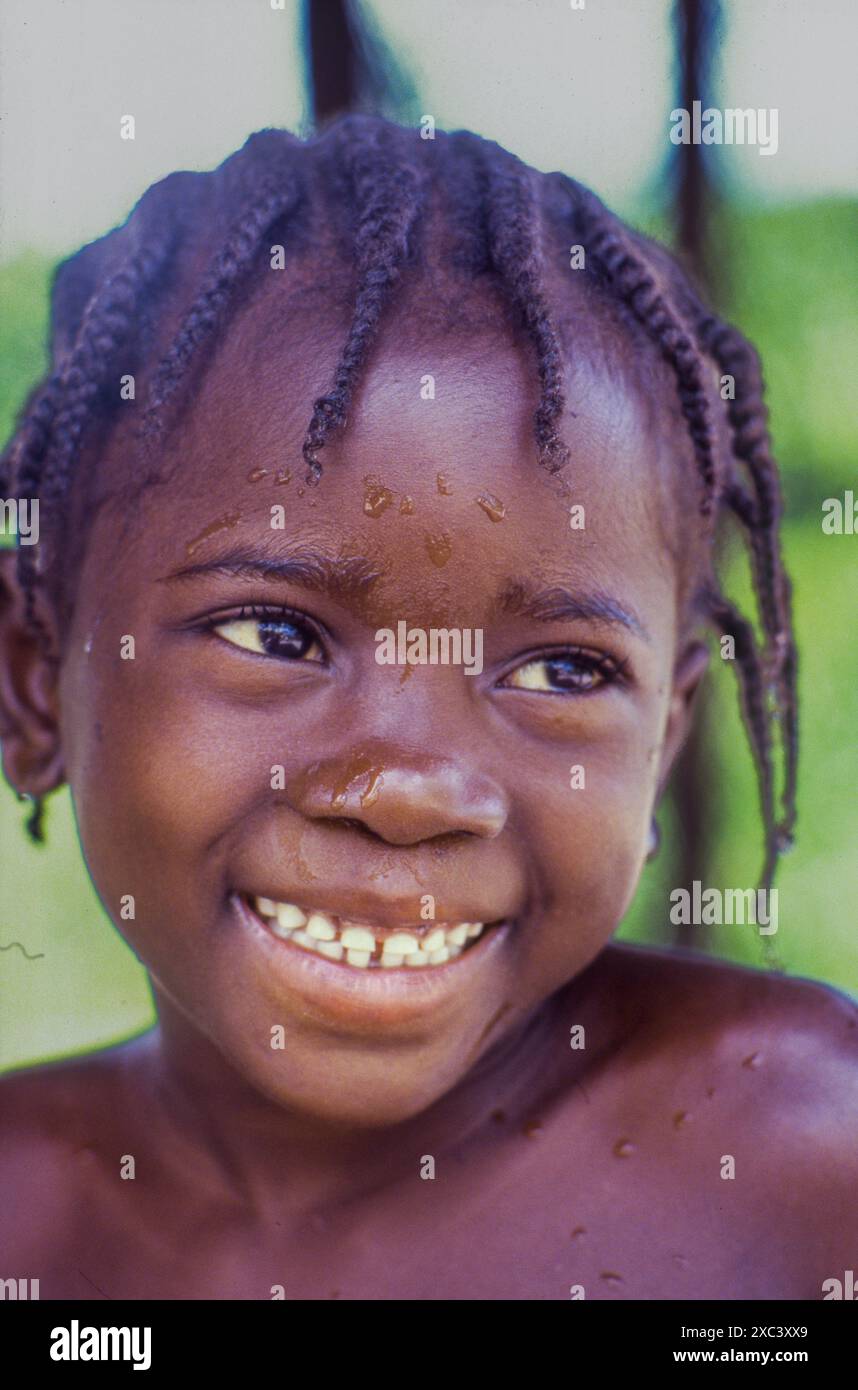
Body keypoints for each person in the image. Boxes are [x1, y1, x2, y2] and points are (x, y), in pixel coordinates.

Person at [0, 116, 855, 1300]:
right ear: (35, 676)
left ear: (663, 738)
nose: (410, 789)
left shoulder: (804, 1156)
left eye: (562, 671)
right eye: (278, 636)